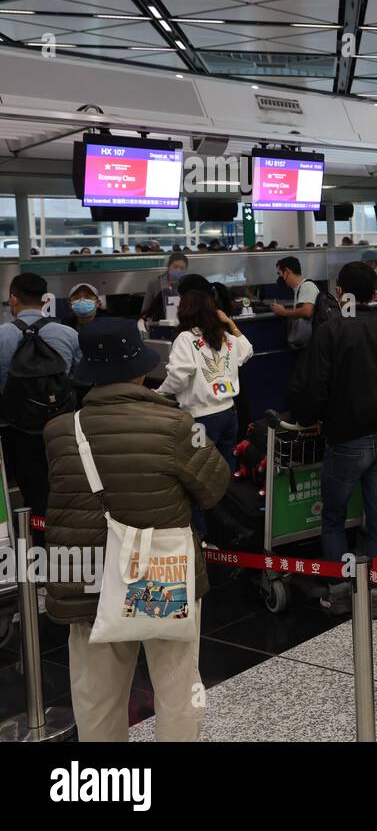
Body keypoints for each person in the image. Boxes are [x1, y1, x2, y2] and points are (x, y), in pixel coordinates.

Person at [43, 317, 230, 741]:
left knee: (96, 699)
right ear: (140, 368)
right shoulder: (180, 425)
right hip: (161, 575)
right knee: (178, 688)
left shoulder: (57, 431)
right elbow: (216, 485)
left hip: (87, 578)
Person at [288, 261, 377, 617]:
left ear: (341, 291)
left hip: (346, 440)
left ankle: (340, 590)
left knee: (333, 517)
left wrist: (308, 418)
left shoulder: (331, 332)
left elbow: (314, 384)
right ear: (375, 292)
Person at [157, 283, 252, 537]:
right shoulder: (224, 336)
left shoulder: (186, 338)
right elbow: (247, 349)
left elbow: (178, 376)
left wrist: (158, 393)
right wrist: (230, 323)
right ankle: (226, 531)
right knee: (223, 480)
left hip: (201, 420)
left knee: (198, 481)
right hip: (229, 415)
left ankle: (202, 537)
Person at [0, 272, 81, 522]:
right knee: (66, 487)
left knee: (33, 491)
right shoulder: (68, 334)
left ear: (13, 299)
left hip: (17, 429)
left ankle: (38, 536)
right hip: (62, 426)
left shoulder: (2, 335)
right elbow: (79, 376)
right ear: (45, 299)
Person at [270, 256, 318, 338]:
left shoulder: (307, 286)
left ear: (287, 271)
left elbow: (307, 311)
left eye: (279, 273)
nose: (279, 277)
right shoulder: (298, 289)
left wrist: (283, 312)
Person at [141, 252, 188, 322]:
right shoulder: (155, 284)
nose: (178, 270)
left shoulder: (187, 285)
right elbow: (145, 310)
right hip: (159, 323)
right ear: (168, 266)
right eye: (175, 267)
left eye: (182, 268)